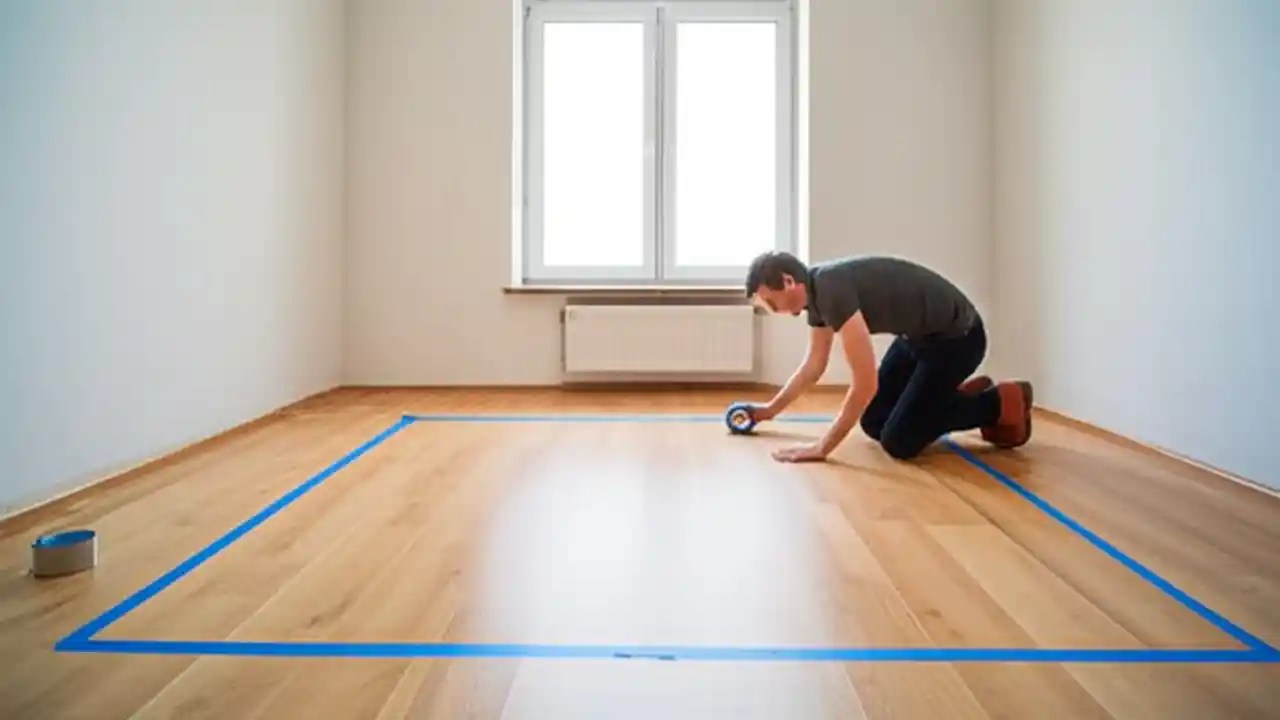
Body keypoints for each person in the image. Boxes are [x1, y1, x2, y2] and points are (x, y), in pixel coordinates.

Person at [743, 250, 1033, 463]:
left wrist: (823, 447)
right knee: (872, 422)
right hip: (917, 339)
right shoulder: (817, 298)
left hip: (958, 341)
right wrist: (768, 410)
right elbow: (813, 366)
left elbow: (865, 384)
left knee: (899, 442)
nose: (770, 308)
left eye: (769, 300)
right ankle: (948, 398)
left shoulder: (832, 290)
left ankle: (1000, 402)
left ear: (788, 281)